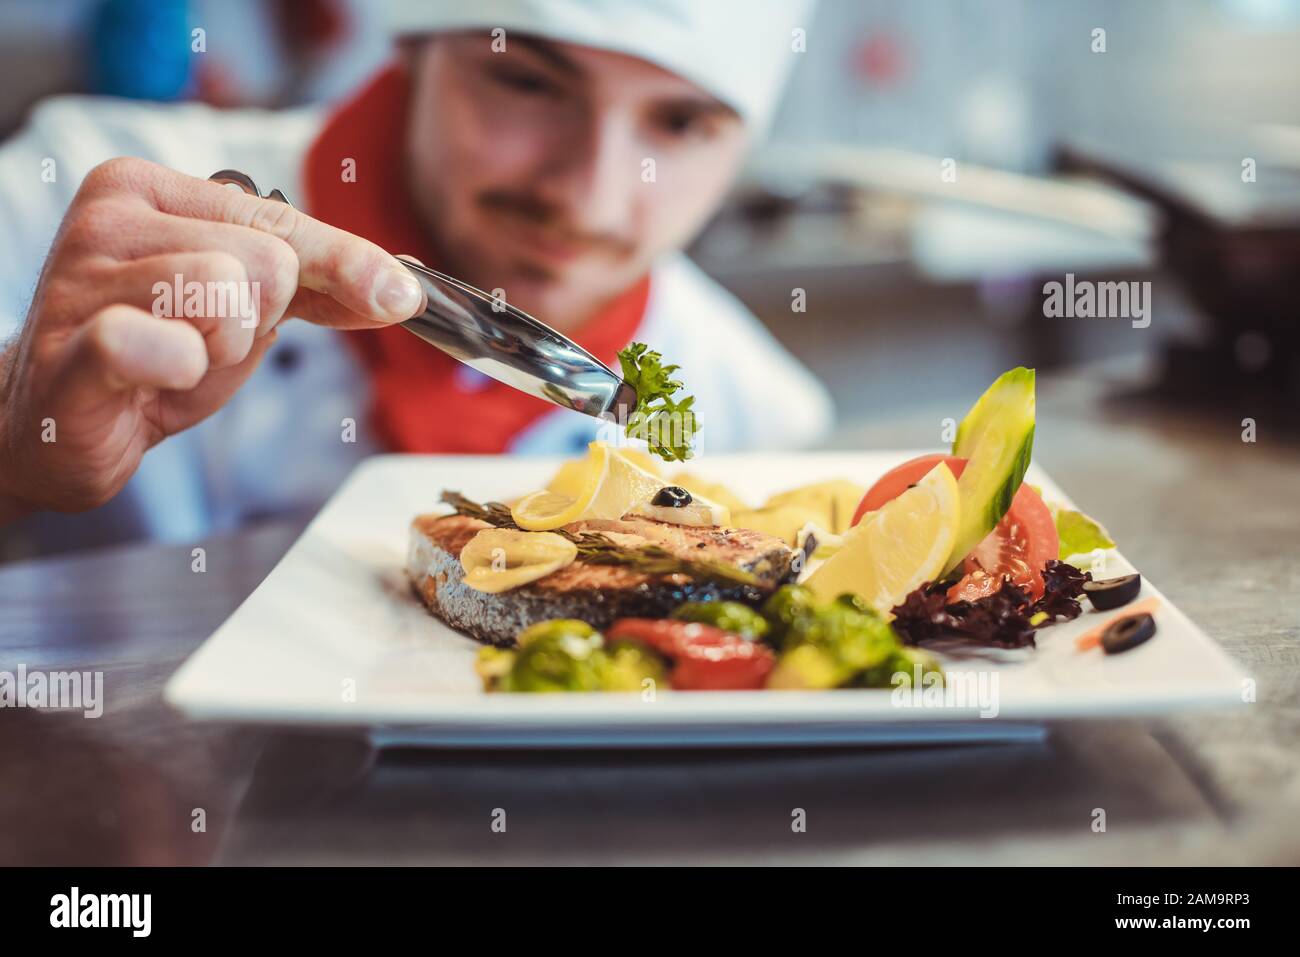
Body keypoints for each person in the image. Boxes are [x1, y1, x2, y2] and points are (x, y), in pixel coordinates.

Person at [0, 0, 833, 558]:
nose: (589, 197)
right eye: (526, 81)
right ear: (416, 55)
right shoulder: (64, 199)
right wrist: (14, 447)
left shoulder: (752, 420)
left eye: (682, 123)